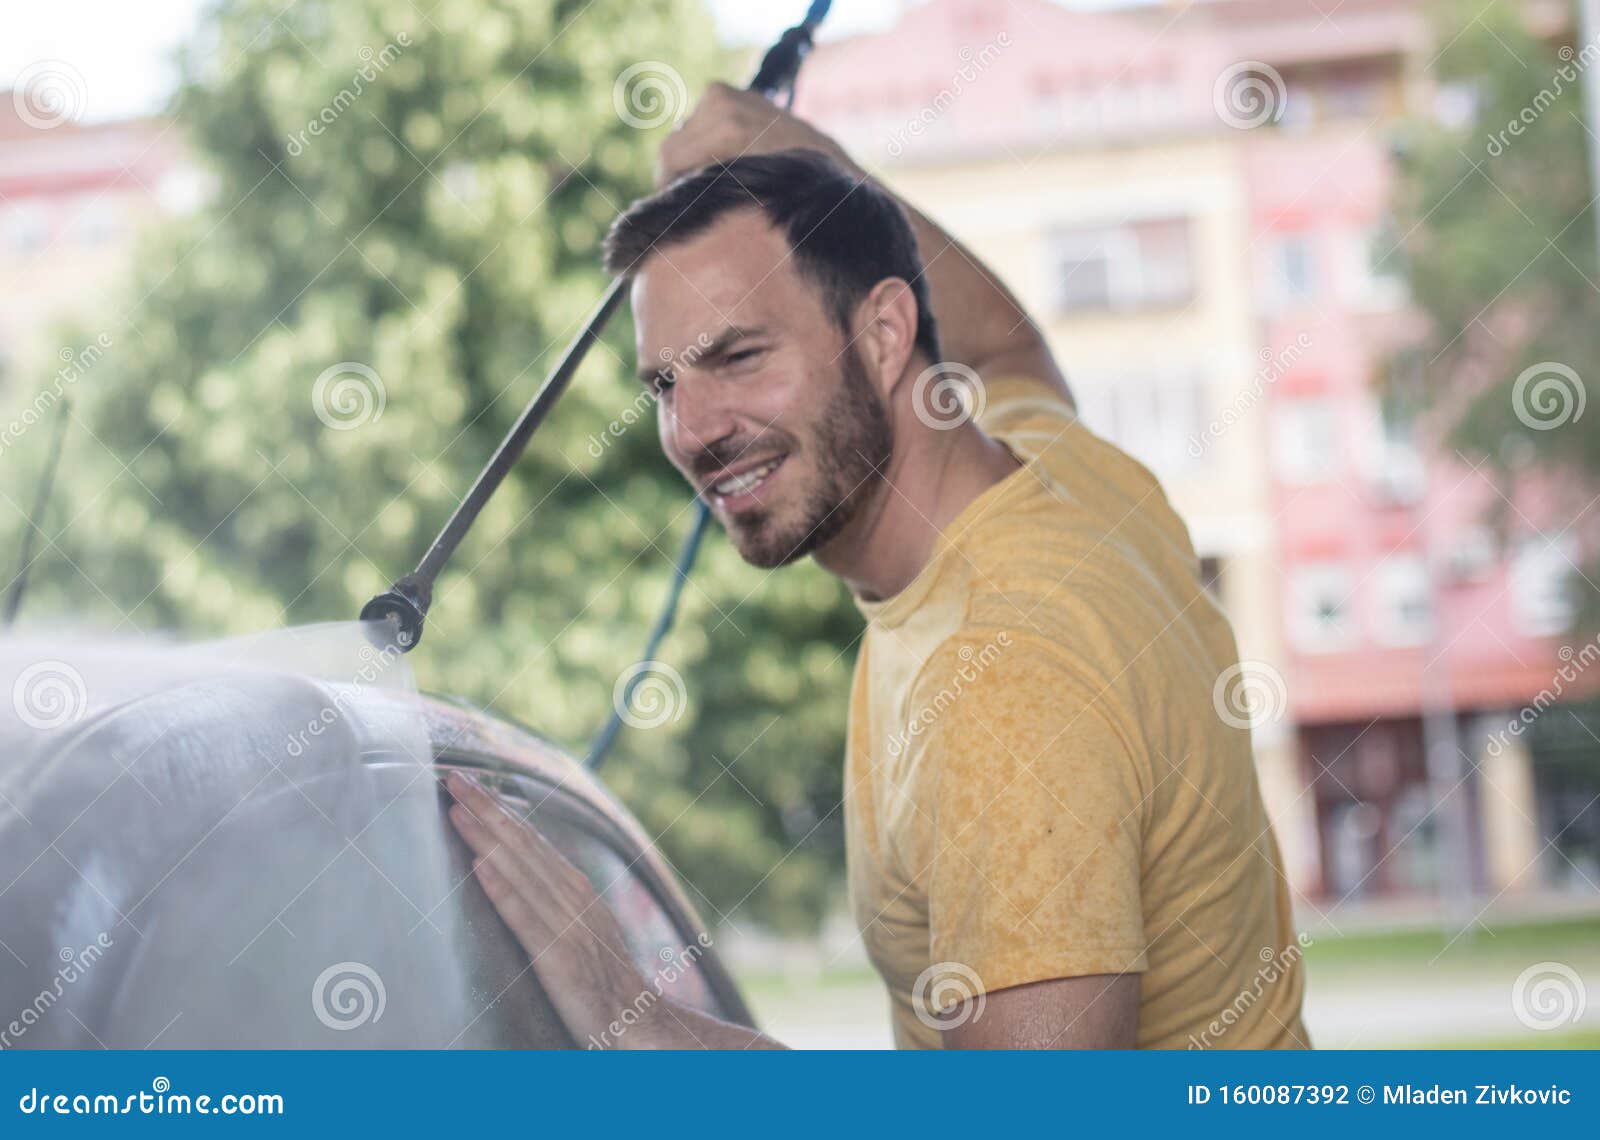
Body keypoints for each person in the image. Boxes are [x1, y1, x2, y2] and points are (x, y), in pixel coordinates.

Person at [445, 81, 1310, 1050]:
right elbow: (1005, 346)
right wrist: (817, 158)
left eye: (736, 356)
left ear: (886, 334)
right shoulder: (1065, 482)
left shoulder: (1003, 684)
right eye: (662, 383)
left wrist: (626, 1011)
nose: (690, 431)